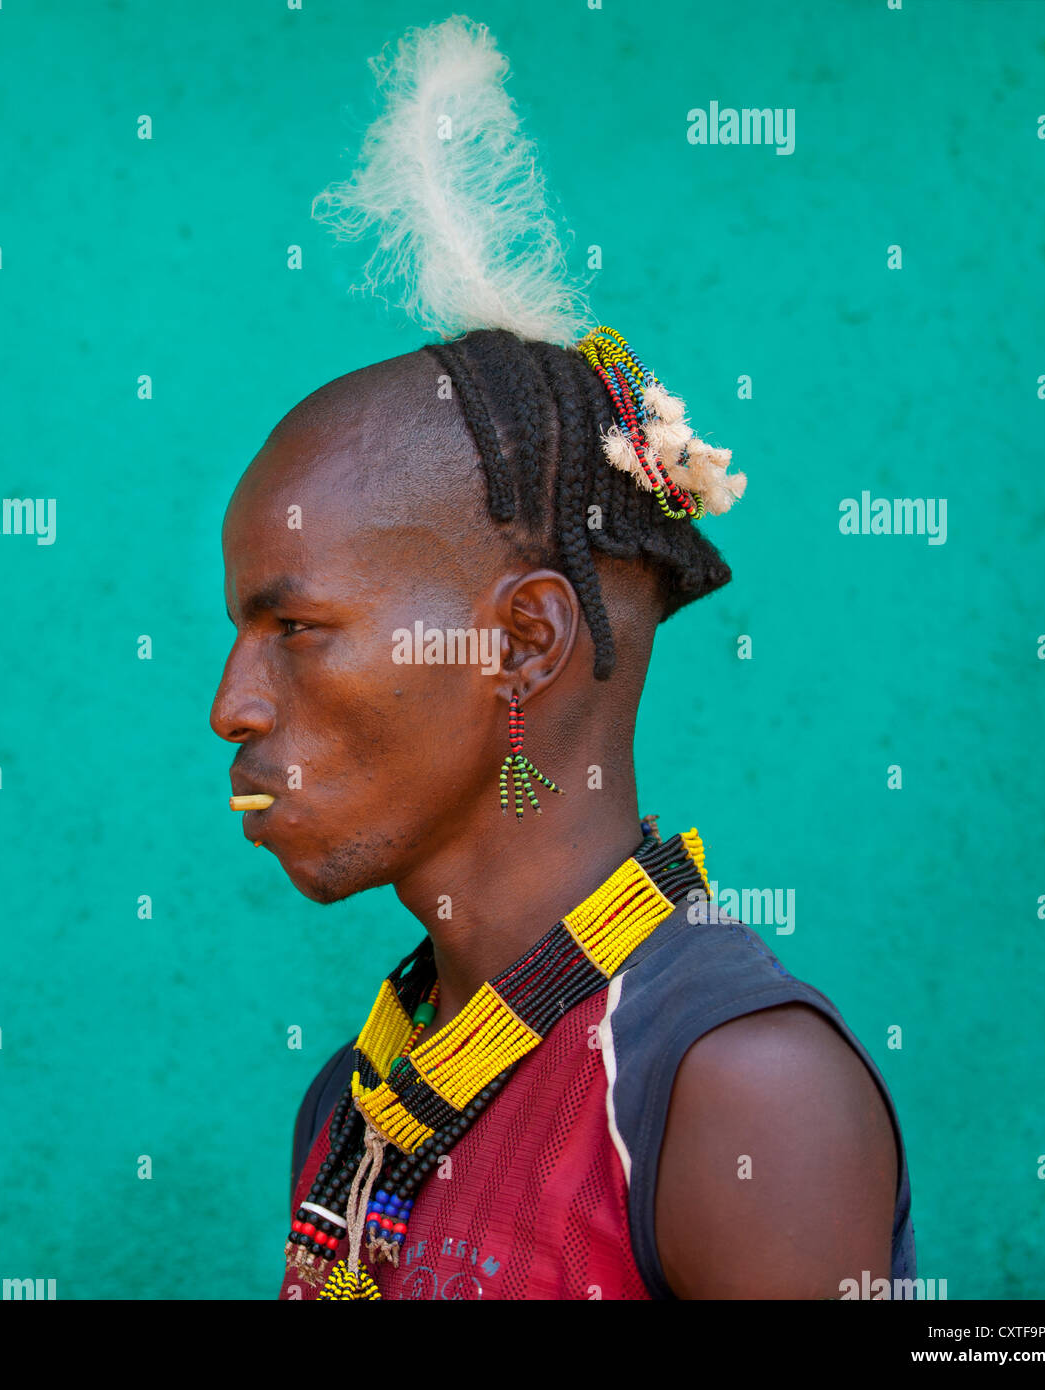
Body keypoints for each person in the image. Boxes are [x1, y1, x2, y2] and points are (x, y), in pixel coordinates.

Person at [208, 17, 915, 1301]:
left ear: (522, 642)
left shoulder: (732, 1094)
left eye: (296, 631)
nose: (231, 706)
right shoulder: (364, 1097)